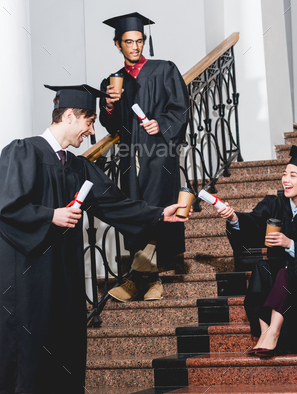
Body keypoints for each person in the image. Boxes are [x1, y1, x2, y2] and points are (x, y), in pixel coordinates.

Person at [0, 84, 190, 394]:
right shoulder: (23, 152)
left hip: (65, 272)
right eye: (89, 122)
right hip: (30, 274)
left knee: (66, 342)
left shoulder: (78, 166)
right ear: (70, 116)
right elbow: (7, 206)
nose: (91, 131)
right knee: (31, 348)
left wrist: (156, 214)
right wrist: (51, 215)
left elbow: (114, 203)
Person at [217, 146, 297, 357]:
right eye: (284, 173)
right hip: (280, 279)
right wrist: (233, 218)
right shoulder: (275, 204)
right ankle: (265, 332)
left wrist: (289, 244)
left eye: (293, 175)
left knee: (286, 272)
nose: (285, 179)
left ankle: (274, 332)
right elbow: (254, 223)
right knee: (262, 268)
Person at [100, 12, 189, 302]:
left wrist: (160, 123)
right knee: (138, 211)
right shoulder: (113, 81)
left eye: (139, 41)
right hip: (129, 156)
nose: (135, 47)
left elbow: (181, 109)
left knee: (154, 207)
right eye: (128, 42)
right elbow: (111, 125)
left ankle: (138, 279)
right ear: (117, 44)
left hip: (158, 154)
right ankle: (149, 280)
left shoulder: (165, 70)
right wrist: (111, 105)